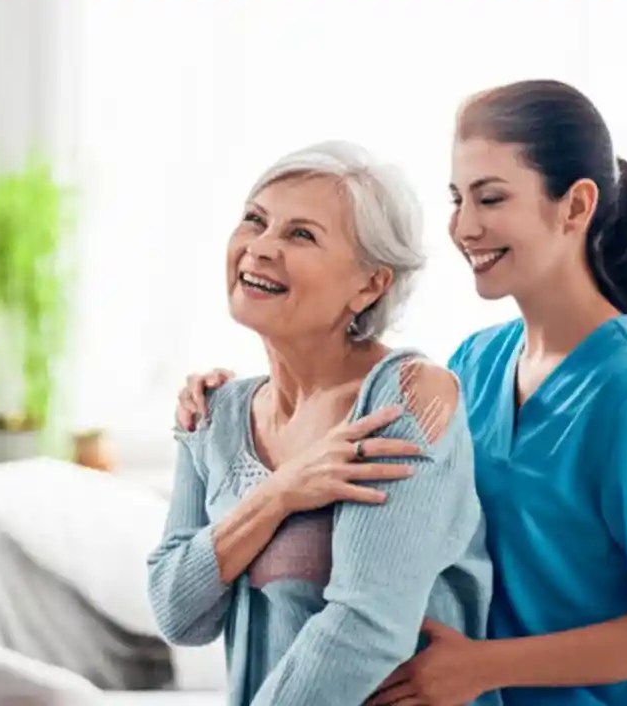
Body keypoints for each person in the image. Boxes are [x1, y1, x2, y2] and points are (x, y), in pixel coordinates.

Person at [175, 79, 627, 705]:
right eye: (458, 199)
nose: (464, 227)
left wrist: (486, 666)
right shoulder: (476, 361)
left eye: (490, 199)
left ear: (574, 206)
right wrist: (232, 403)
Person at [146, 141, 498, 706]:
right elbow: (177, 613)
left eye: (300, 235)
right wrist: (279, 494)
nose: (260, 249)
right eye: (255, 220)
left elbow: (366, 628)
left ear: (370, 284)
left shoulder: (406, 396)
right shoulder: (216, 413)